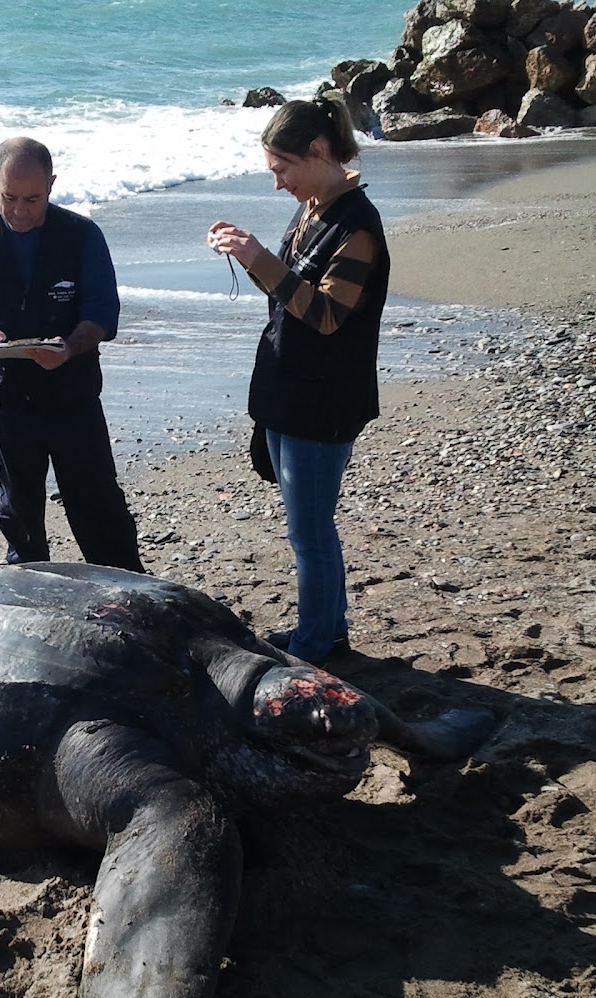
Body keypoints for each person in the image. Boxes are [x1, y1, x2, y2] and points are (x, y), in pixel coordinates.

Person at [207, 97, 390, 667]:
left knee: (309, 530)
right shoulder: (315, 206)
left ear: (317, 151)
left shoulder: (356, 225)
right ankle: (325, 628)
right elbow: (291, 293)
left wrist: (260, 257)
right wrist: (253, 252)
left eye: (281, 168)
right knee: (307, 524)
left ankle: (318, 643)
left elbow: (329, 316)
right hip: (290, 389)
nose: (278, 183)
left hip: (326, 398)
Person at [0, 136, 145, 573]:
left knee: (96, 500)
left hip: (70, 388)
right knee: (19, 506)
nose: (19, 210)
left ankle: (126, 590)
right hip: (5, 394)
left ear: (52, 185)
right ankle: (28, 589)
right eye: (8, 197)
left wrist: (69, 347)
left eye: (32, 199)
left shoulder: (81, 236)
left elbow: (103, 314)